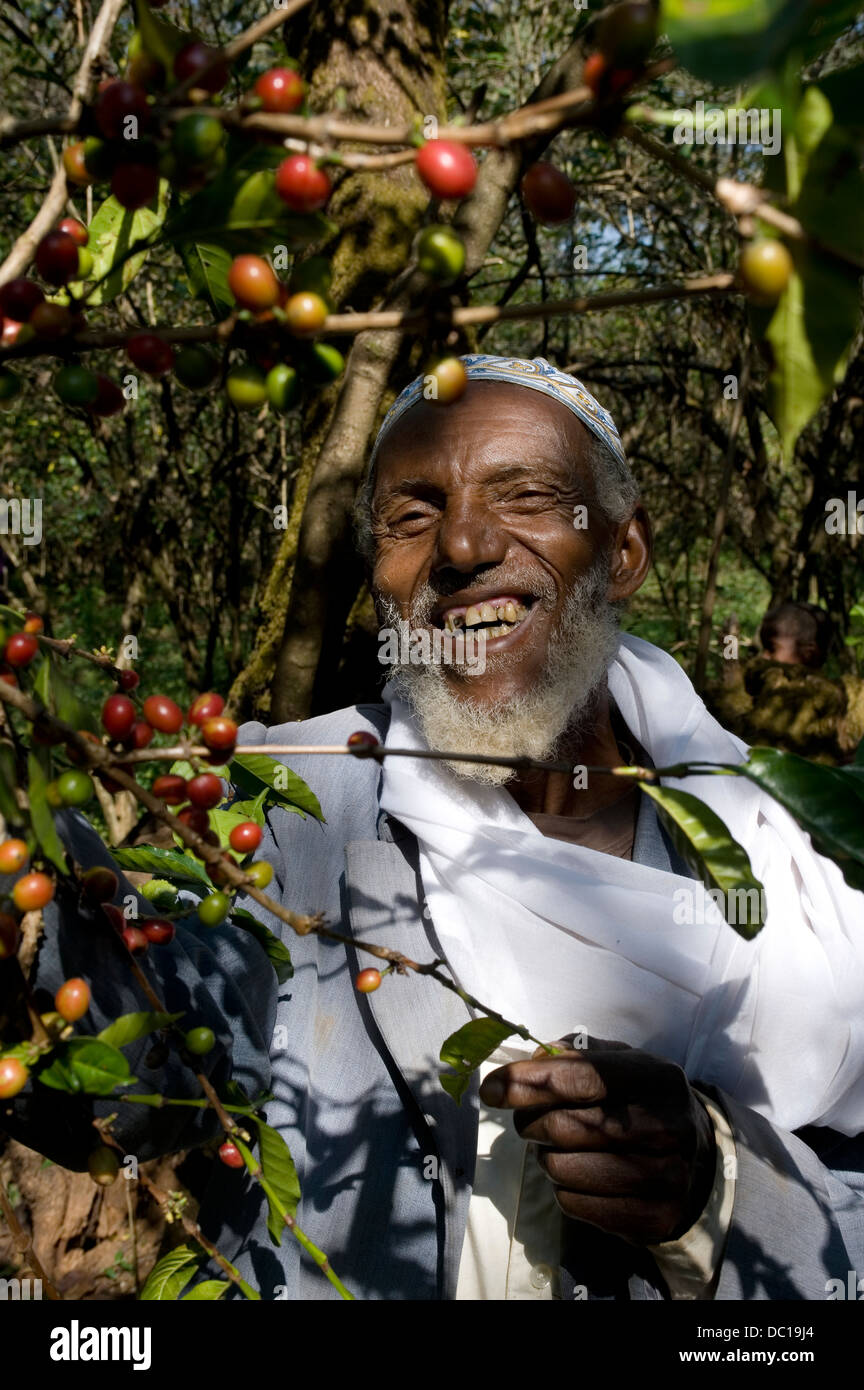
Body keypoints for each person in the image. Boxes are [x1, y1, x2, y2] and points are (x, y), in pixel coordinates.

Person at [15, 356, 864, 1302]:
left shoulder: (799, 862)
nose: (460, 543)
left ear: (623, 553)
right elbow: (151, 1018)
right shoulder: (294, 800)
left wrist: (716, 1192)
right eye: (410, 517)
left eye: (528, 495)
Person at [713, 602, 850, 763]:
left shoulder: (805, 692)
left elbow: (753, 745)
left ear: (808, 653)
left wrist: (730, 668)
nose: (764, 656)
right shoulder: (771, 683)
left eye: (771, 648)